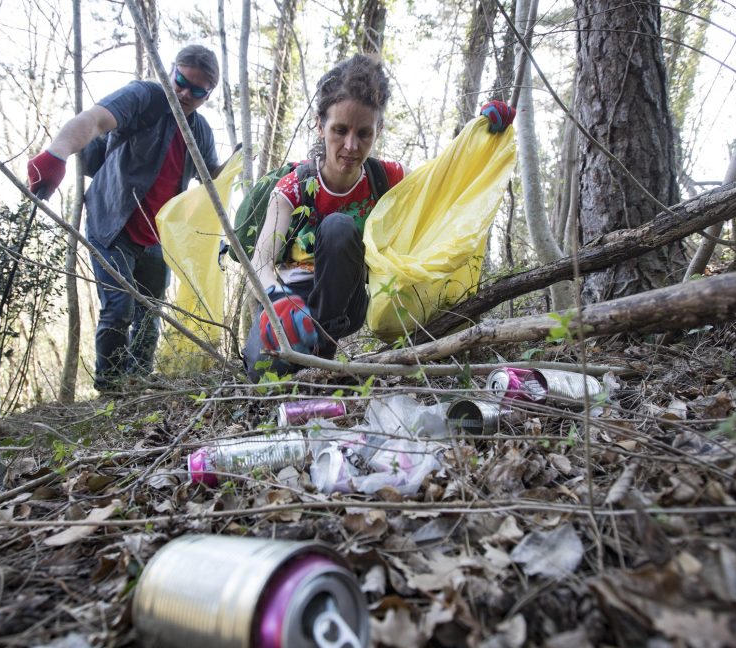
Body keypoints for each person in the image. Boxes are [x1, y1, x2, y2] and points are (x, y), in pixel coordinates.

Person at [243, 54, 513, 381]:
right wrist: (276, 301)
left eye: (364, 133)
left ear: (378, 130)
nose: (351, 146)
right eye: (339, 130)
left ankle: (322, 352)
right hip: (288, 302)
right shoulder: (294, 187)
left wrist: (480, 133)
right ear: (320, 125)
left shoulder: (384, 179)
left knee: (340, 228)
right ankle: (299, 356)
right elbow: (259, 264)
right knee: (261, 376)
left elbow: (443, 182)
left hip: (346, 302)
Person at [27, 45, 223, 392]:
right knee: (120, 308)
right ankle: (110, 388)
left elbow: (213, 181)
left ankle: (137, 384)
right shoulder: (144, 98)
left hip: (156, 237)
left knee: (150, 317)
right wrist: (56, 154)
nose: (184, 93)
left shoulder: (200, 131)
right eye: (180, 81)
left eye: (197, 91)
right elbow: (95, 119)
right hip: (113, 224)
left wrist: (242, 173)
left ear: (208, 95)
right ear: (171, 72)